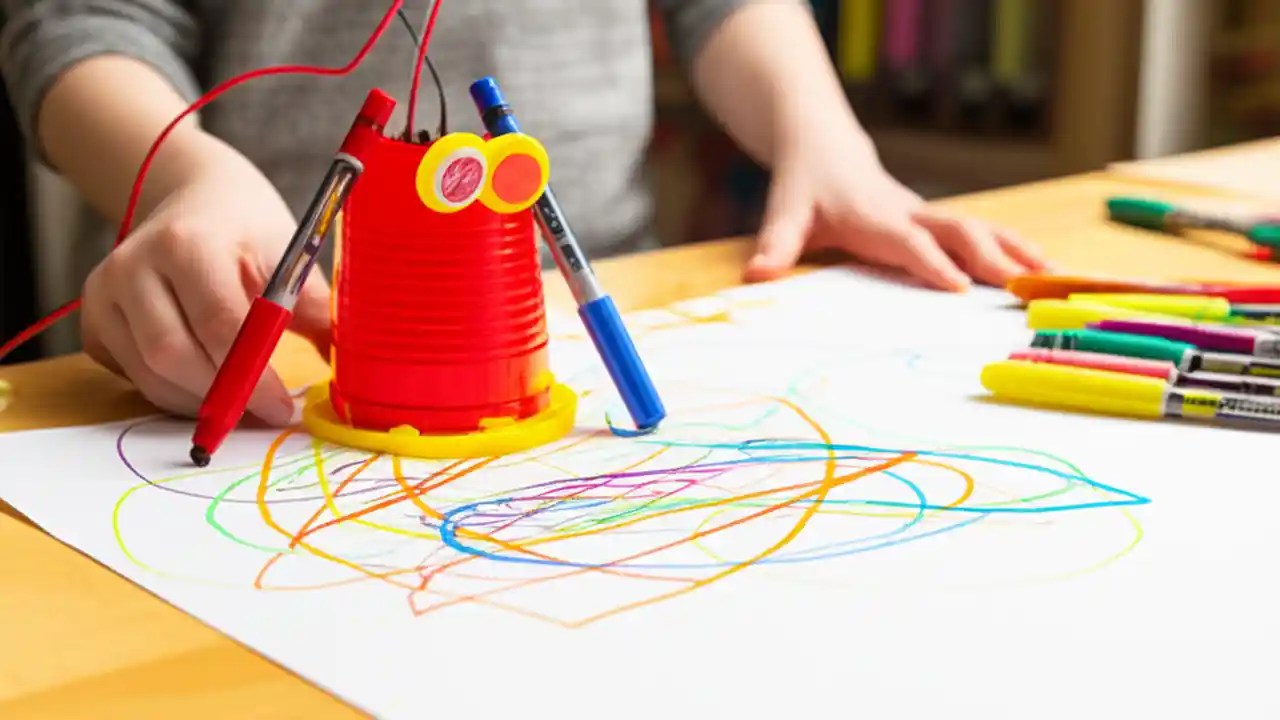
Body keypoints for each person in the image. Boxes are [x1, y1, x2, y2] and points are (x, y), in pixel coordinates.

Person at [0, 0, 1047, 426]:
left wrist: (825, 144)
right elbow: (84, 19)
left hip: (599, 281)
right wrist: (181, 169)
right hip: (235, 315)